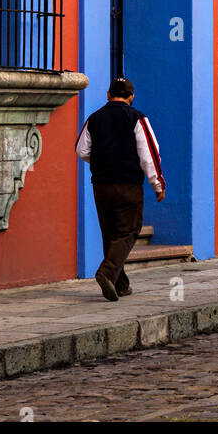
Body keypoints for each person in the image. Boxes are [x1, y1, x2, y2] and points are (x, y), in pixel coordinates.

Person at [75, 77, 165, 302]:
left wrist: (102, 162)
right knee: (129, 230)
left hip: (101, 185)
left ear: (108, 95)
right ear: (131, 97)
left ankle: (120, 283)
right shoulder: (137, 117)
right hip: (127, 184)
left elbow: (81, 150)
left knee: (111, 233)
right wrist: (158, 184)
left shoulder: (94, 119)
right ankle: (106, 273)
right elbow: (149, 154)